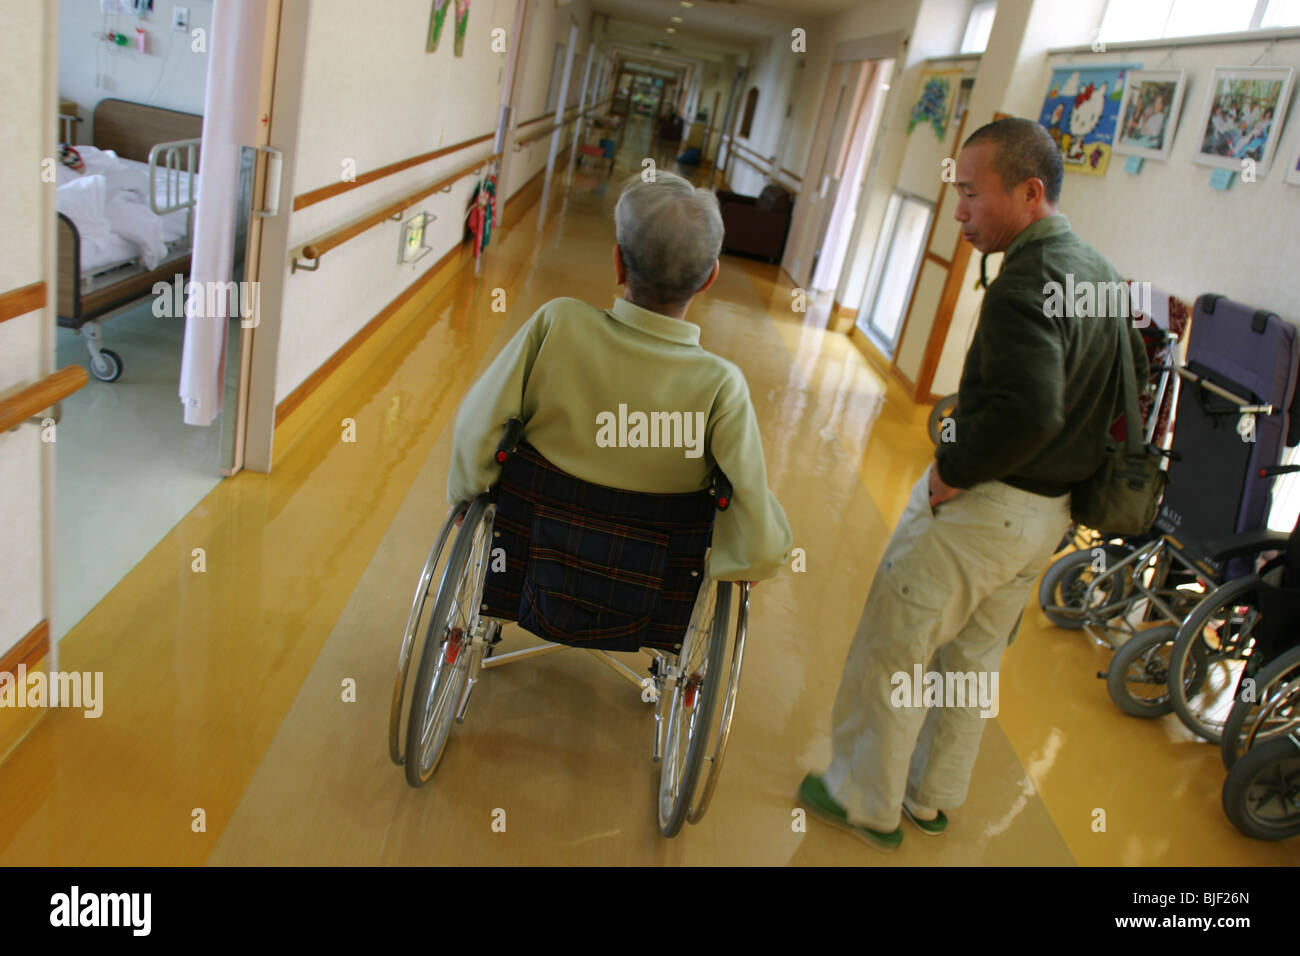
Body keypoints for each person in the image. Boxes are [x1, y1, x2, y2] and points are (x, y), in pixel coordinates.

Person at [798, 118, 1148, 850]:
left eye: (970, 195)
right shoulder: (1099, 271)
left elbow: (1032, 406)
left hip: (989, 507)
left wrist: (952, 472)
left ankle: (862, 798)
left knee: (896, 643)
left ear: (1028, 192)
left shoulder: (1028, 278)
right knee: (973, 659)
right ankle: (931, 797)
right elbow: (1125, 387)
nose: (958, 211)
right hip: (1049, 516)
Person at [447, 170, 793, 589]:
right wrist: (758, 555)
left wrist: (469, 490)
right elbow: (750, 500)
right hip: (646, 586)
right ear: (709, 279)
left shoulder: (558, 324)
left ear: (618, 262)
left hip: (532, 554)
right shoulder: (721, 385)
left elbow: (478, 423)